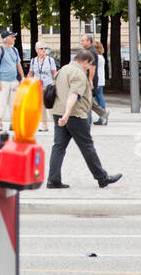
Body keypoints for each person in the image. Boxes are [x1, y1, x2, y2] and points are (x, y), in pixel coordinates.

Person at [47, 50, 122, 189]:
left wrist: (101, 112)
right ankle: (102, 177)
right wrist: (67, 115)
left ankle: (53, 180)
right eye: (90, 65)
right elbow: (73, 95)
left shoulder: (62, 70)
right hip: (74, 115)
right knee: (87, 146)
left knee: (58, 146)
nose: (89, 68)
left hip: (58, 112)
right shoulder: (78, 74)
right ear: (85, 62)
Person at [0, 30, 24, 132]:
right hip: (3, 81)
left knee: (14, 103)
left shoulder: (15, 50)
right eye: (12, 37)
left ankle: (12, 123)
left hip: (14, 81)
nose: (14, 38)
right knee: (1, 102)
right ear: (7, 39)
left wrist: (22, 77)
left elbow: (18, 64)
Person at [28, 42, 57, 133]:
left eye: (45, 48)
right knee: (41, 106)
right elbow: (31, 73)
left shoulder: (50, 60)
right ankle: (44, 124)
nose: (44, 50)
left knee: (51, 105)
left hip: (48, 86)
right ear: (36, 50)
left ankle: (56, 123)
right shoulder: (33, 60)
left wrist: (57, 83)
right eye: (41, 48)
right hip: (37, 86)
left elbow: (54, 72)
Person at [81, 34, 109, 126]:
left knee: (88, 100)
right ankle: (102, 114)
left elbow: (92, 67)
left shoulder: (91, 52)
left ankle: (88, 120)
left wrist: (90, 80)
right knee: (89, 100)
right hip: (92, 80)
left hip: (91, 80)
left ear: (89, 41)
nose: (81, 42)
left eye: (83, 40)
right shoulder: (90, 51)